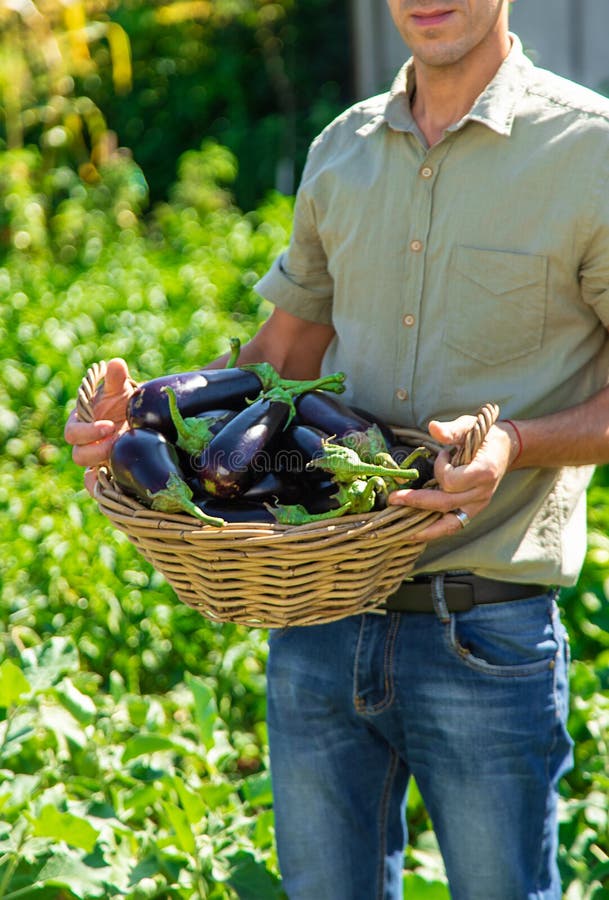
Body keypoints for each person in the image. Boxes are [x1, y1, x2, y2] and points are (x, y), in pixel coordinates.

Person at [65, 1, 609, 896]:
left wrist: (512, 442)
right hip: (315, 614)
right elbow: (280, 360)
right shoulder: (342, 148)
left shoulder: (586, 154)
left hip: (483, 623)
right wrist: (147, 422)